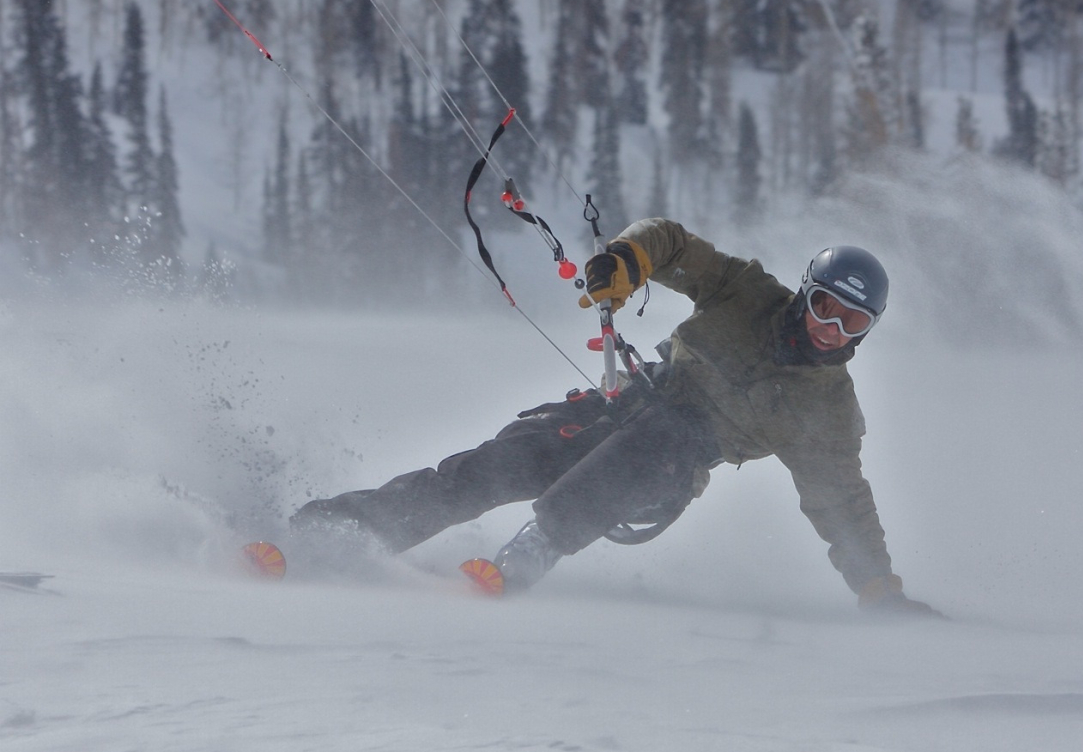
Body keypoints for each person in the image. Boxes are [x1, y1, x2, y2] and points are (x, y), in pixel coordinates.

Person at [292, 217, 940, 616]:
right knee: (495, 464)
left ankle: (531, 553)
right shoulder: (746, 291)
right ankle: (333, 531)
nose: (831, 329)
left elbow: (844, 504)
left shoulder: (828, 410)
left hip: (664, 470)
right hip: (622, 406)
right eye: (826, 306)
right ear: (805, 294)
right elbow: (675, 243)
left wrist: (879, 587)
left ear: (868, 330)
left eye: (852, 322)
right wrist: (629, 261)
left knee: (670, 435)